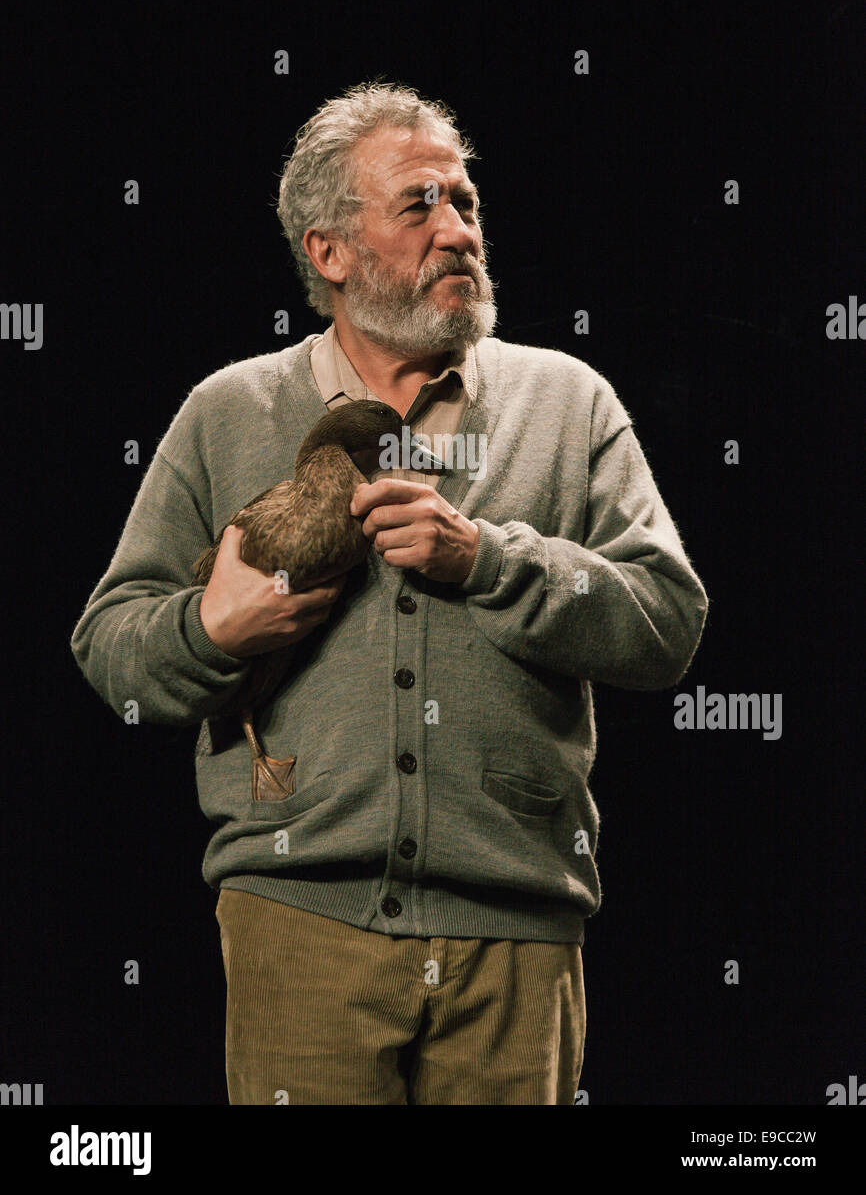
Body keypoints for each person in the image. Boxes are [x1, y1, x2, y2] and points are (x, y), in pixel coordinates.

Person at [70, 80, 708, 1105]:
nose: (457, 231)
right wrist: (210, 626)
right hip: (299, 925)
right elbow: (110, 648)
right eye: (419, 205)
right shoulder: (228, 410)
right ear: (329, 251)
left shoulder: (565, 401)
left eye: (465, 204)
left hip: (514, 935)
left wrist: (490, 562)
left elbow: (666, 623)